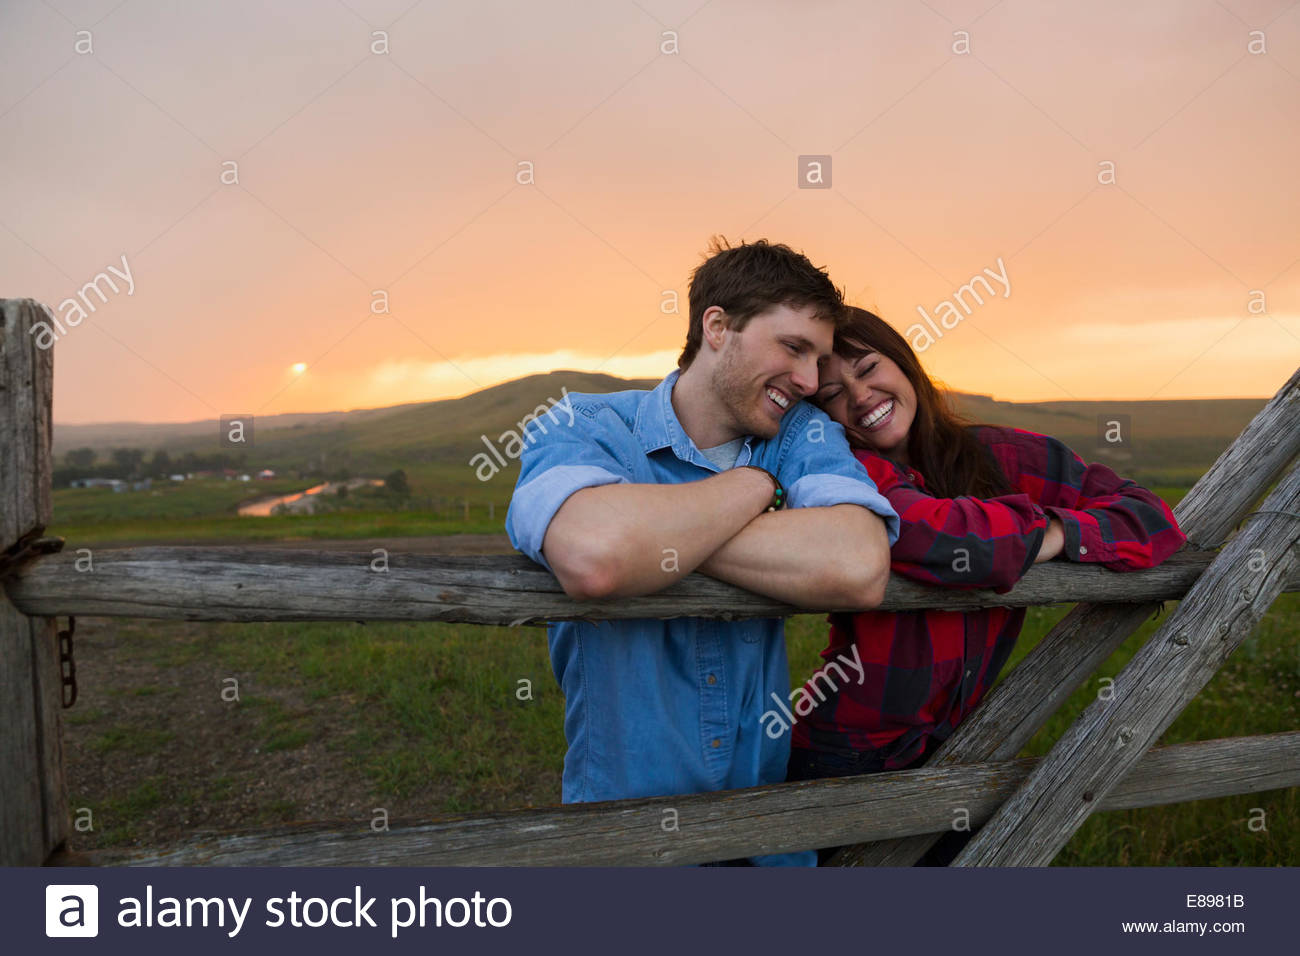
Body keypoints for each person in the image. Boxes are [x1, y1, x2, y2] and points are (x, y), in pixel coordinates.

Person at [505, 240, 900, 866]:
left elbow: (857, 566)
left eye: (816, 358)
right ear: (717, 327)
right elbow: (597, 555)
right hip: (621, 844)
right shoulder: (583, 423)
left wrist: (661, 534)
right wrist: (756, 488)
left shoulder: (802, 432)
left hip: (762, 841)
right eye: (793, 347)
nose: (808, 380)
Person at [786, 306, 1187, 864]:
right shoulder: (847, 473)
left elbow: (1150, 517)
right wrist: (1037, 531)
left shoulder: (1005, 455)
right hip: (846, 752)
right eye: (831, 394)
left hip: (960, 748)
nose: (858, 396)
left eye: (870, 367)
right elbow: (937, 537)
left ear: (905, 363)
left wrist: (1054, 531)